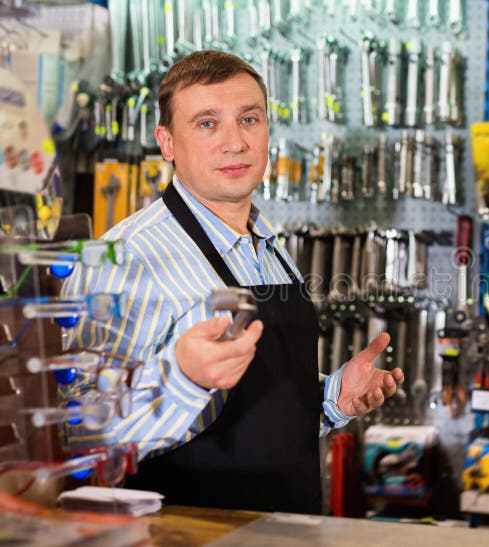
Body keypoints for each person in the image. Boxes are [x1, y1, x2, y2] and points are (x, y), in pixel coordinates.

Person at [59, 50, 404, 513]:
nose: (234, 142)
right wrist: (180, 379)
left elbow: (257, 410)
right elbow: (75, 427)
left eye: (249, 119)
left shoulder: (269, 245)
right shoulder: (129, 257)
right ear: (167, 143)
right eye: (206, 123)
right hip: (184, 535)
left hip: (287, 529)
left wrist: (330, 398)